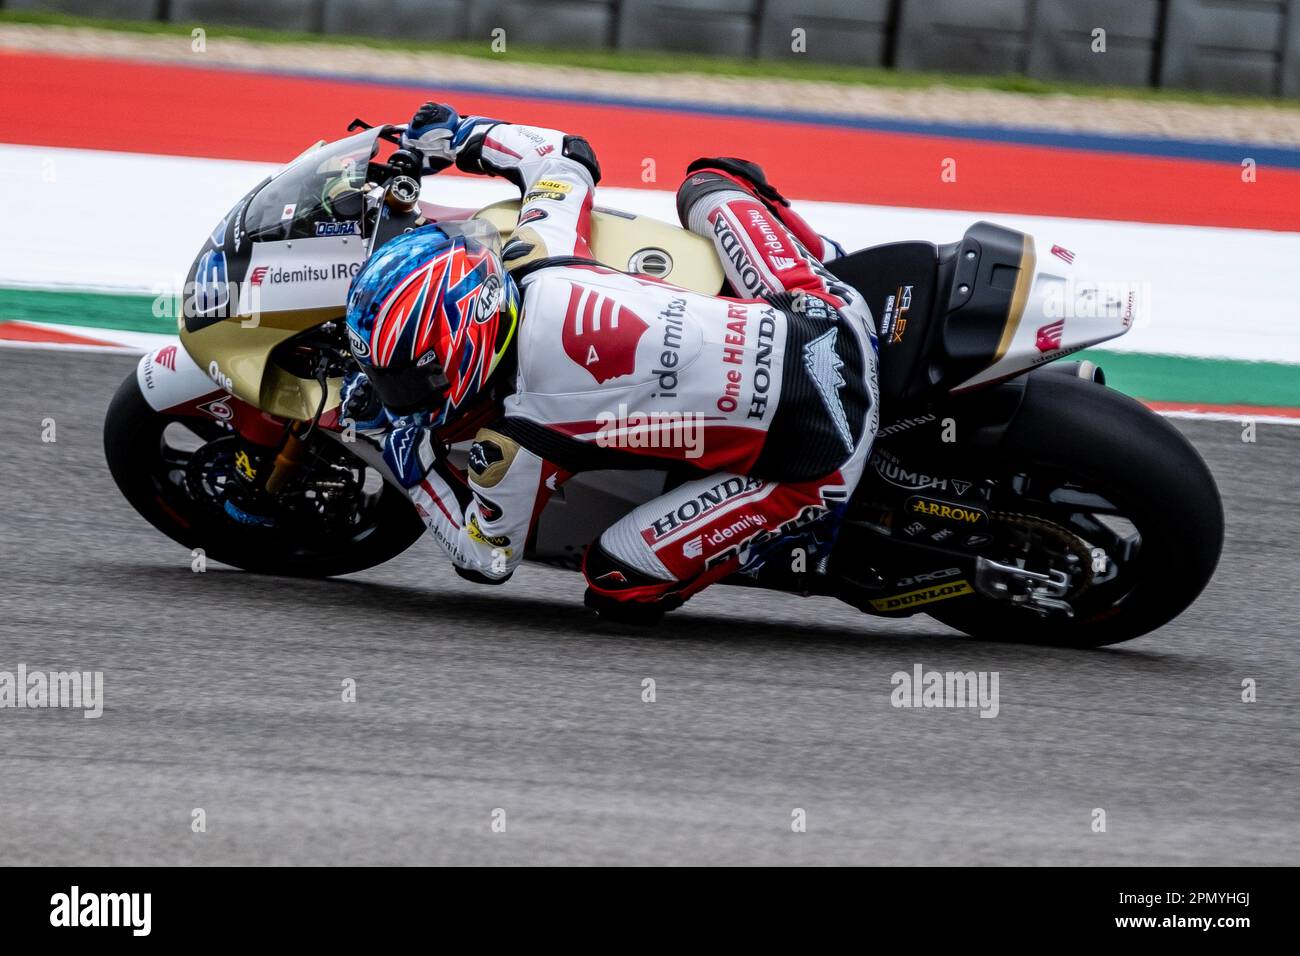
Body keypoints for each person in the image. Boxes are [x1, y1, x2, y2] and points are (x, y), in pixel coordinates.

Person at [342, 103, 879, 622]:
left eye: (412, 376)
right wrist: (460, 135)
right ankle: (832, 258)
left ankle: (787, 544)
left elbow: (487, 561)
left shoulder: (518, 436)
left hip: (821, 459)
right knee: (707, 182)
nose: (403, 395)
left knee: (614, 582)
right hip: (833, 313)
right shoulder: (539, 254)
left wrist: (413, 469)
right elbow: (566, 156)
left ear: (463, 342)